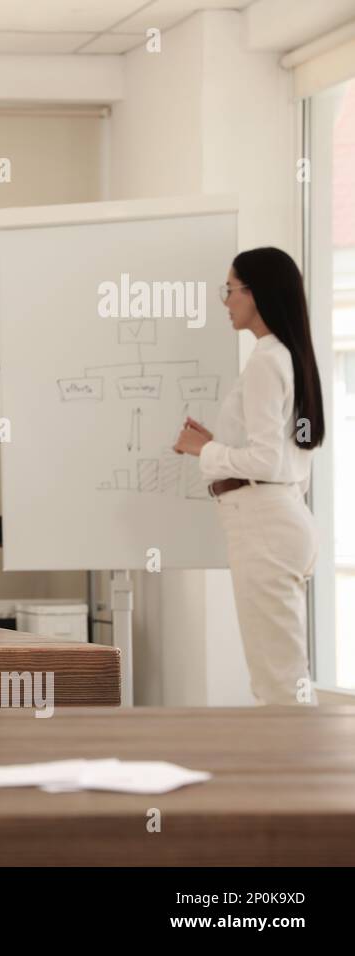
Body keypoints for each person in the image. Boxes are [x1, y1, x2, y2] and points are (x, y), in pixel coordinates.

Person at [174, 247, 324, 705]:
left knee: (277, 679)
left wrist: (205, 449)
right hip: (284, 519)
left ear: (255, 294)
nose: (225, 301)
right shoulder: (289, 356)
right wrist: (219, 445)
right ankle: (297, 769)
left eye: (230, 290)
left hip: (265, 525)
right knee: (281, 672)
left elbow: (263, 462)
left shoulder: (266, 359)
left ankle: (299, 772)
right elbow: (280, 459)